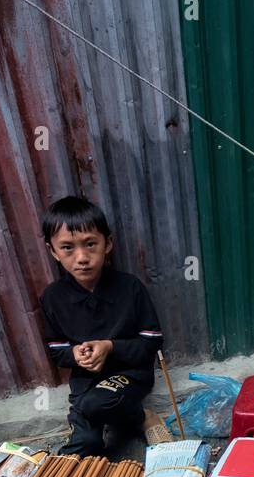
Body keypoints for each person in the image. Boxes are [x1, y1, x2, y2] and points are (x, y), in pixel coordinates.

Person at [38, 195, 163, 460]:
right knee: (83, 445)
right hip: (86, 382)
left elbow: (152, 342)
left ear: (108, 244)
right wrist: (75, 355)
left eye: (90, 244)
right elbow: (56, 350)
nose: (82, 257)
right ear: (53, 252)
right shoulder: (53, 297)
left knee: (95, 404)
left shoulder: (130, 288)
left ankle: (142, 417)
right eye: (68, 248)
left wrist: (110, 347)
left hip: (129, 374)